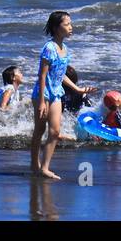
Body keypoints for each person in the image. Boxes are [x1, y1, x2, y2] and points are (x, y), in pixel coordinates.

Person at [30, 11, 95, 180]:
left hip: (56, 93)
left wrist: (78, 89)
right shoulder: (49, 48)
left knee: (55, 131)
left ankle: (44, 167)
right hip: (43, 94)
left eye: (70, 24)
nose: (70, 27)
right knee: (39, 130)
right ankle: (34, 165)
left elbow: (61, 73)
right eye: (67, 24)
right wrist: (42, 101)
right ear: (55, 28)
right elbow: (42, 75)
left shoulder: (64, 49)